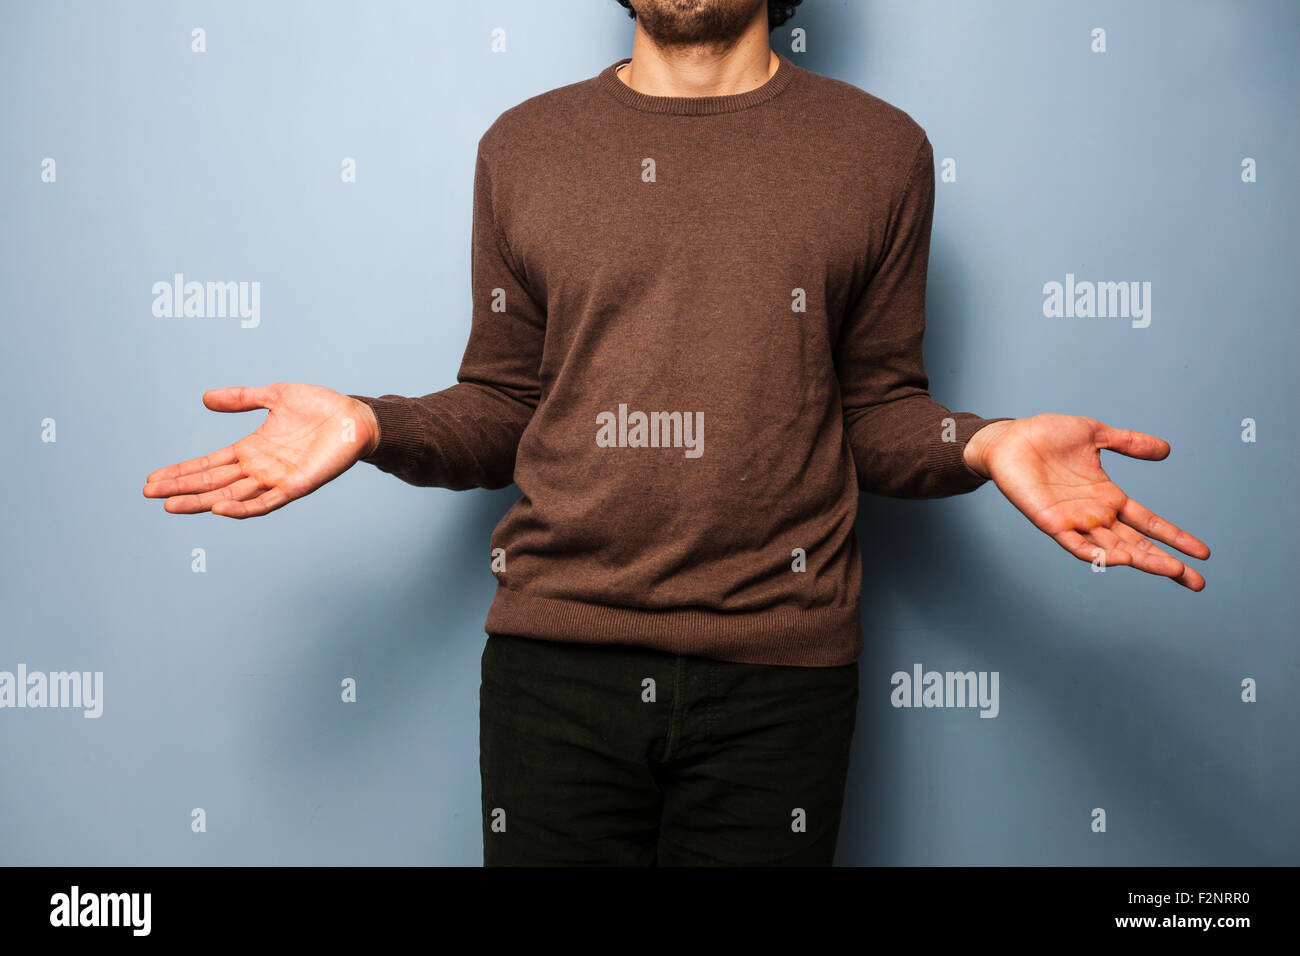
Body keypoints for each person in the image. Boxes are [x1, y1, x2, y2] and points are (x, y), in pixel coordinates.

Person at [142, 0, 1210, 866]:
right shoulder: (524, 145)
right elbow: (506, 406)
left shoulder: (880, 151)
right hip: (552, 667)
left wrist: (986, 442)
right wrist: (377, 421)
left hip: (780, 674)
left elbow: (876, 412)